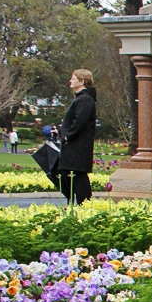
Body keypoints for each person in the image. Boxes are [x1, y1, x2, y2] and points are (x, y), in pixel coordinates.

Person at [57, 68, 97, 205]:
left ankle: (84, 204)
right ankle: (75, 203)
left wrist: (68, 135)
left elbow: (80, 121)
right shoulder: (81, 98)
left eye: (73, 78)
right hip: (74, 144)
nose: (70, 81)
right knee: (70, 174)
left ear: (82, 81)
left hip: (78, 145)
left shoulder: (85, 99)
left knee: (78, 175)